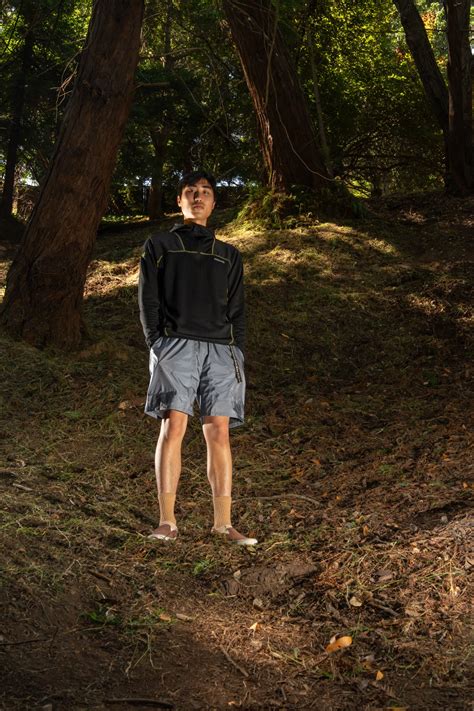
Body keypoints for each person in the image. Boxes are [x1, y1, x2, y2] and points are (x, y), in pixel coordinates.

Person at [138, 170, 257, 546]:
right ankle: (167, 521)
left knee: (219, 431)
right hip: (176, 345)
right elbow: (148, 298)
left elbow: (237, 308)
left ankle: (223, 523)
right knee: (173, 426)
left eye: (205, 192)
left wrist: (236, 349)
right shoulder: (160, 245)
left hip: (222, 350)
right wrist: (156, 343)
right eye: (190, 191)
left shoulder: (229, 255)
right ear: (180, 200)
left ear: (214, 202)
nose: (198, 197)